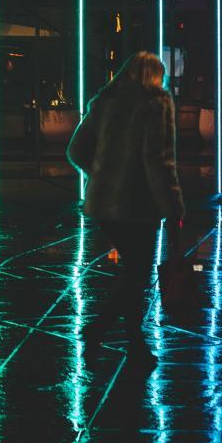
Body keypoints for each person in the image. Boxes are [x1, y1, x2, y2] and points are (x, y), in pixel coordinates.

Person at [66, 50, 185, 369]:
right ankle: (106, 331)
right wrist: (173, 207)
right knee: (137, 272)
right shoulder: (155, 104)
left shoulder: (104, 101)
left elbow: (76, 150)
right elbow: (159, 162)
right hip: (138, 204)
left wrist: (104, 173)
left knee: (133, 271)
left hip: (103, 204)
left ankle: (130, 339)